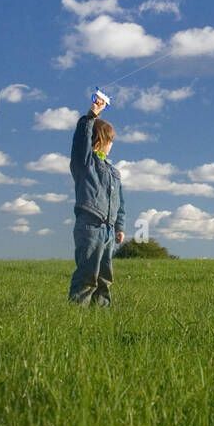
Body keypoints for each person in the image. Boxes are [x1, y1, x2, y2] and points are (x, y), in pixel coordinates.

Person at [69, 92, 125, 305]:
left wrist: (119, 226)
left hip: (109, 229)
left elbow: (120, 203)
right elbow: (80, 142)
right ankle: (77, 313)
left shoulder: (114, 172)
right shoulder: (85, 164)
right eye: (109, 140)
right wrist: (91, 116)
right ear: (98, 140)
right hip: (90, 226)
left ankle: (100, 314)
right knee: (87, 274)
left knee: (104, 277)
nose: (111, 144)